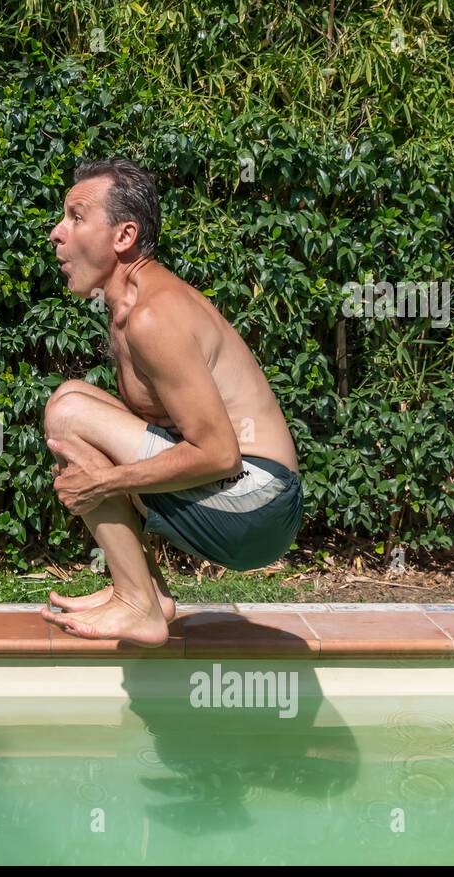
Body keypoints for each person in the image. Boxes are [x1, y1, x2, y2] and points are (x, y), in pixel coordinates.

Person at [42, 158, 303, 645]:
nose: (57, 233)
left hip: (259, 503)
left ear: (124, 236)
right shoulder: (126, 308)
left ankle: (137, 604)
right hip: (248, 494)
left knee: (68, 413)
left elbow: (217, 453)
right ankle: (144, 592)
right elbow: (165, 443)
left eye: (76, 217)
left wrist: (104, 483)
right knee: (72, 398)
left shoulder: (153, 317)